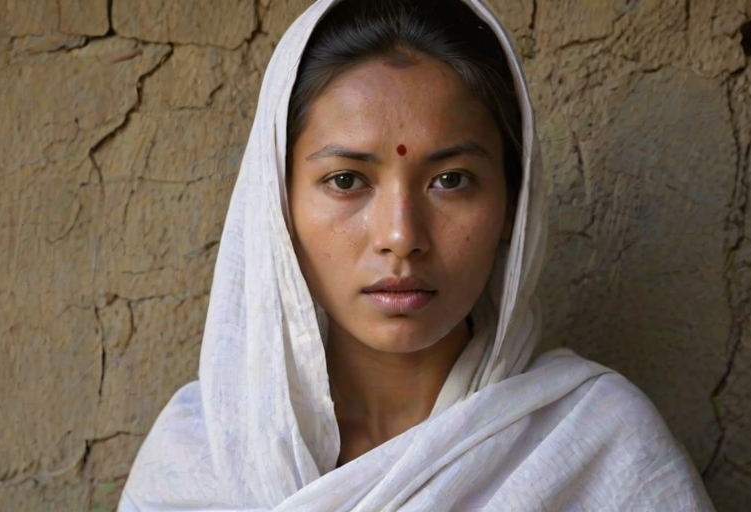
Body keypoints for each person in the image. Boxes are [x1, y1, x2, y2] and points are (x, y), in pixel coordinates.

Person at [119, 0, 714, 510]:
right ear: (277, 208)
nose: (401, 236)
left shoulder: (600, 448)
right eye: (347, 181)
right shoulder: (203, 455)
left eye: (451, 180)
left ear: (514, 205)